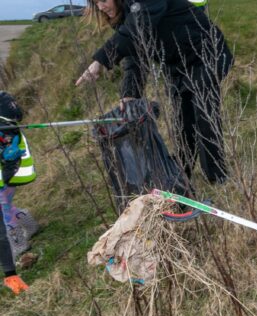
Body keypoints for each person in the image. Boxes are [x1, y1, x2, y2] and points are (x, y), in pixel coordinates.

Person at [76, 0, 233, 185]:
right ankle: (181, 176)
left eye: (103, 0)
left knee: (204, 115)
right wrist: (129, 94)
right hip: (177, 64)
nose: (101, 7)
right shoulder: (125, 16)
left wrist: (99, 60)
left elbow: (137, 29)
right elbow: (136, 56)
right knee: (182, 122)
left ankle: (217, 177)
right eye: (96, 3)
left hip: (206, 54)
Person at [0, 91, 34, 295]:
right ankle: (28, 222)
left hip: (7, 176)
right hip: (8, 178)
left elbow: (8, 152)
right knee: (6, 206)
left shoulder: (6, 127)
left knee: (3, 212)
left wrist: (6, 156)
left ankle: (19, 243)